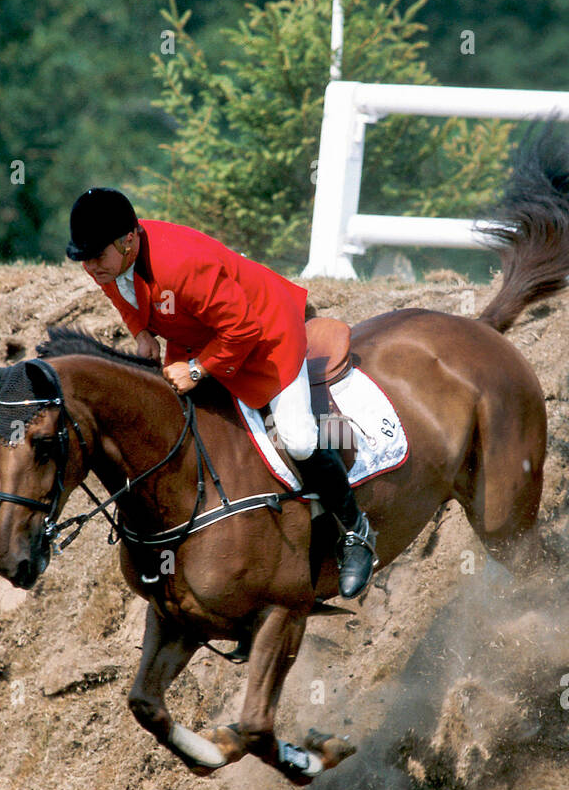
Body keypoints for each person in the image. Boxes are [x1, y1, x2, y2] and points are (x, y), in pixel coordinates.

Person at [66, 187, 376, 597]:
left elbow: (243, 329)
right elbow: (119, 290)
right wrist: (140, 332)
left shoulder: (182, 266)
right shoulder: (108, 261)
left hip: (265, 336)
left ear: (129, 241)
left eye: (96, 257)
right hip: (199, 335)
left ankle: (356, 531)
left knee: (298, 438)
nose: (90, 267)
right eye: (83, 258)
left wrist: (197, 370)